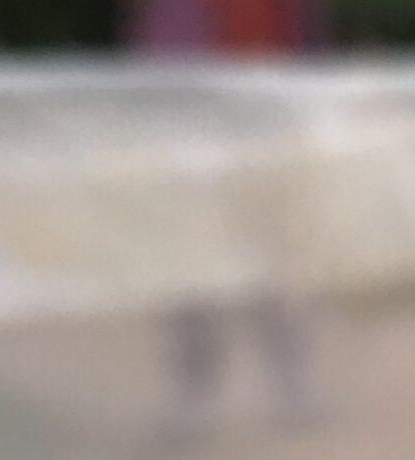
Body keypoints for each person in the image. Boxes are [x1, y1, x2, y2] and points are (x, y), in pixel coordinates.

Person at [128, 0, 326, 437]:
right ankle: (193, 396)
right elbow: (156, 46)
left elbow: (305, 38)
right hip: (192, 123)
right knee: (190, 263)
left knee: (275, 256)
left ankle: (293, 384)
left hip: (269, 119)